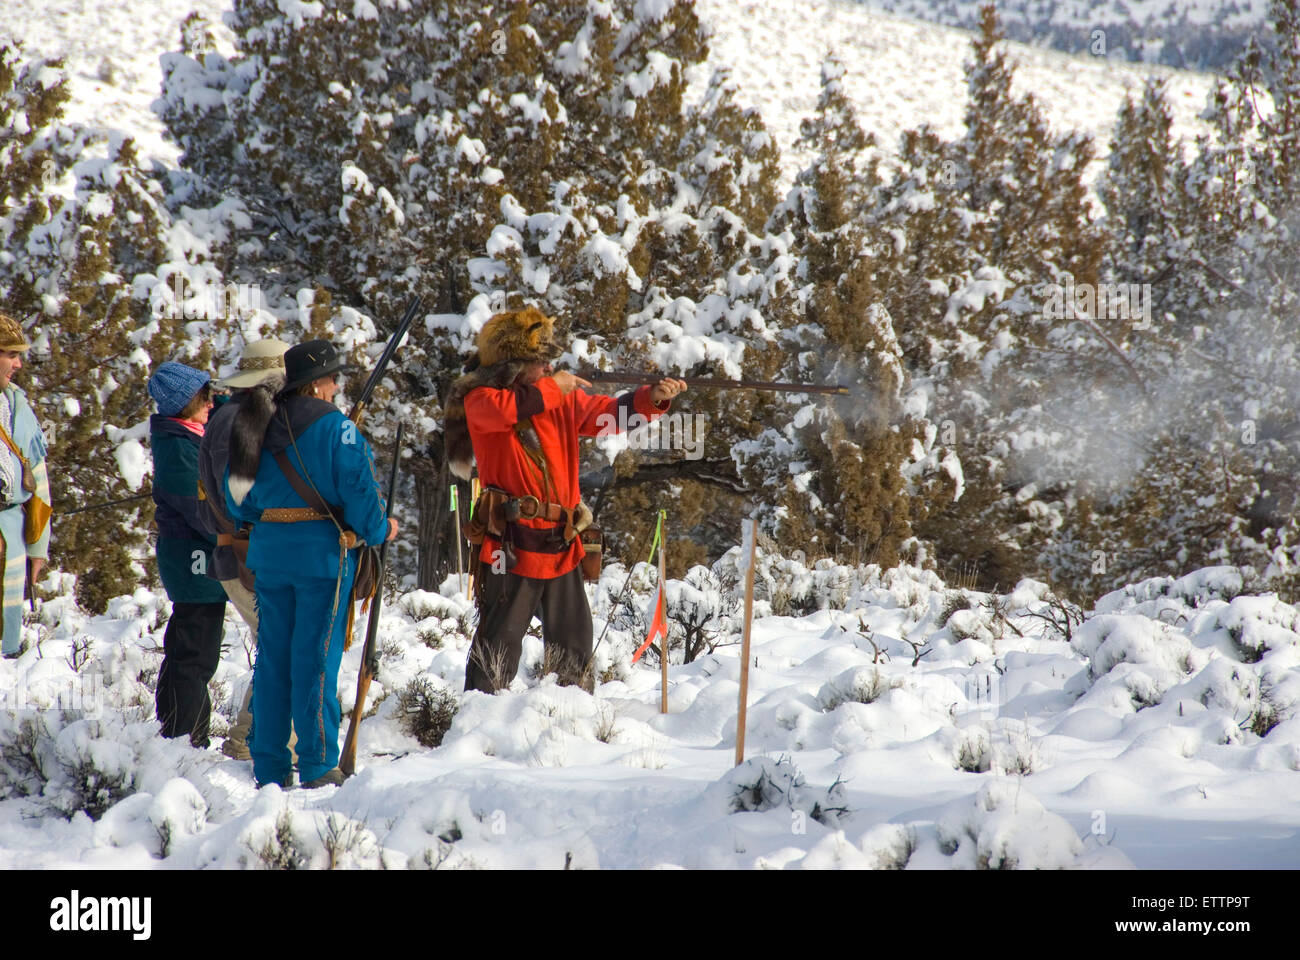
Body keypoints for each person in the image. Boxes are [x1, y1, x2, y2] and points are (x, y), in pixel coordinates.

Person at [443, 306, 685, 694]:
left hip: (561, 541)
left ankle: (571, 722)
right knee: (496, 652)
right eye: (539, 362)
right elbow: (507, 410)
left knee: (574, 646)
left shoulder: (559, 399)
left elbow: (610, 416)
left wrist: (650, 399)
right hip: (513, 541)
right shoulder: (482, 399)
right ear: (512, 364)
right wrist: (554, 387)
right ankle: (477, 728)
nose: (547, 368)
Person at [224, 339, 395, 789]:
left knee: (275, 659)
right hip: (322, 560)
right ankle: (318, 766)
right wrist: (380, 531)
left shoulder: (255, 424)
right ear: (318, 385)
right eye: (333, 378)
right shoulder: (337, 429)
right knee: (315, 661)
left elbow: (235, 501)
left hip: (270, 557)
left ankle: (270, 766)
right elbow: (361, 497)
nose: (337, 386)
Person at [196, 339, 292, 761]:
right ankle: (251, 740)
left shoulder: (231, 418)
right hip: (248, 553)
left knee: (279, 643)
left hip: (242, 551)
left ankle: (254, 738)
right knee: (283, 644)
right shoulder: (242, 423)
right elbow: (244, 500)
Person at [147, 360, 228, 746]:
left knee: (188, 647)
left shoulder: (185, 435)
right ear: (185, 404)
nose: (211, 404)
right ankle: (185, 736)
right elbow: (201, 513)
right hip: (193, 561)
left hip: (195, 561)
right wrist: (235, 539)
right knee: (196, 654)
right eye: (204, 398)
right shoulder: (178, 448)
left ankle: (180, 728)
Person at [0, 312, 50, 659]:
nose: (18, 364)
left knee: (7, 653)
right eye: (11, 354)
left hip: (13, 538)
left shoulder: (18, 405)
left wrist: (37, 547)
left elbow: (40, 479)